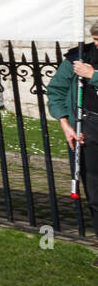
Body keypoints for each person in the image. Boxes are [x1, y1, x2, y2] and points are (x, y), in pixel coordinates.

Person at [46, 22, 98, 233]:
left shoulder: (87, 68)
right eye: (96, 39)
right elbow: (56, 90)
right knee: (95, 189)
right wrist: (65, 124)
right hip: (89, 126)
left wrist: (93, 76)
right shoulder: (79, 57)